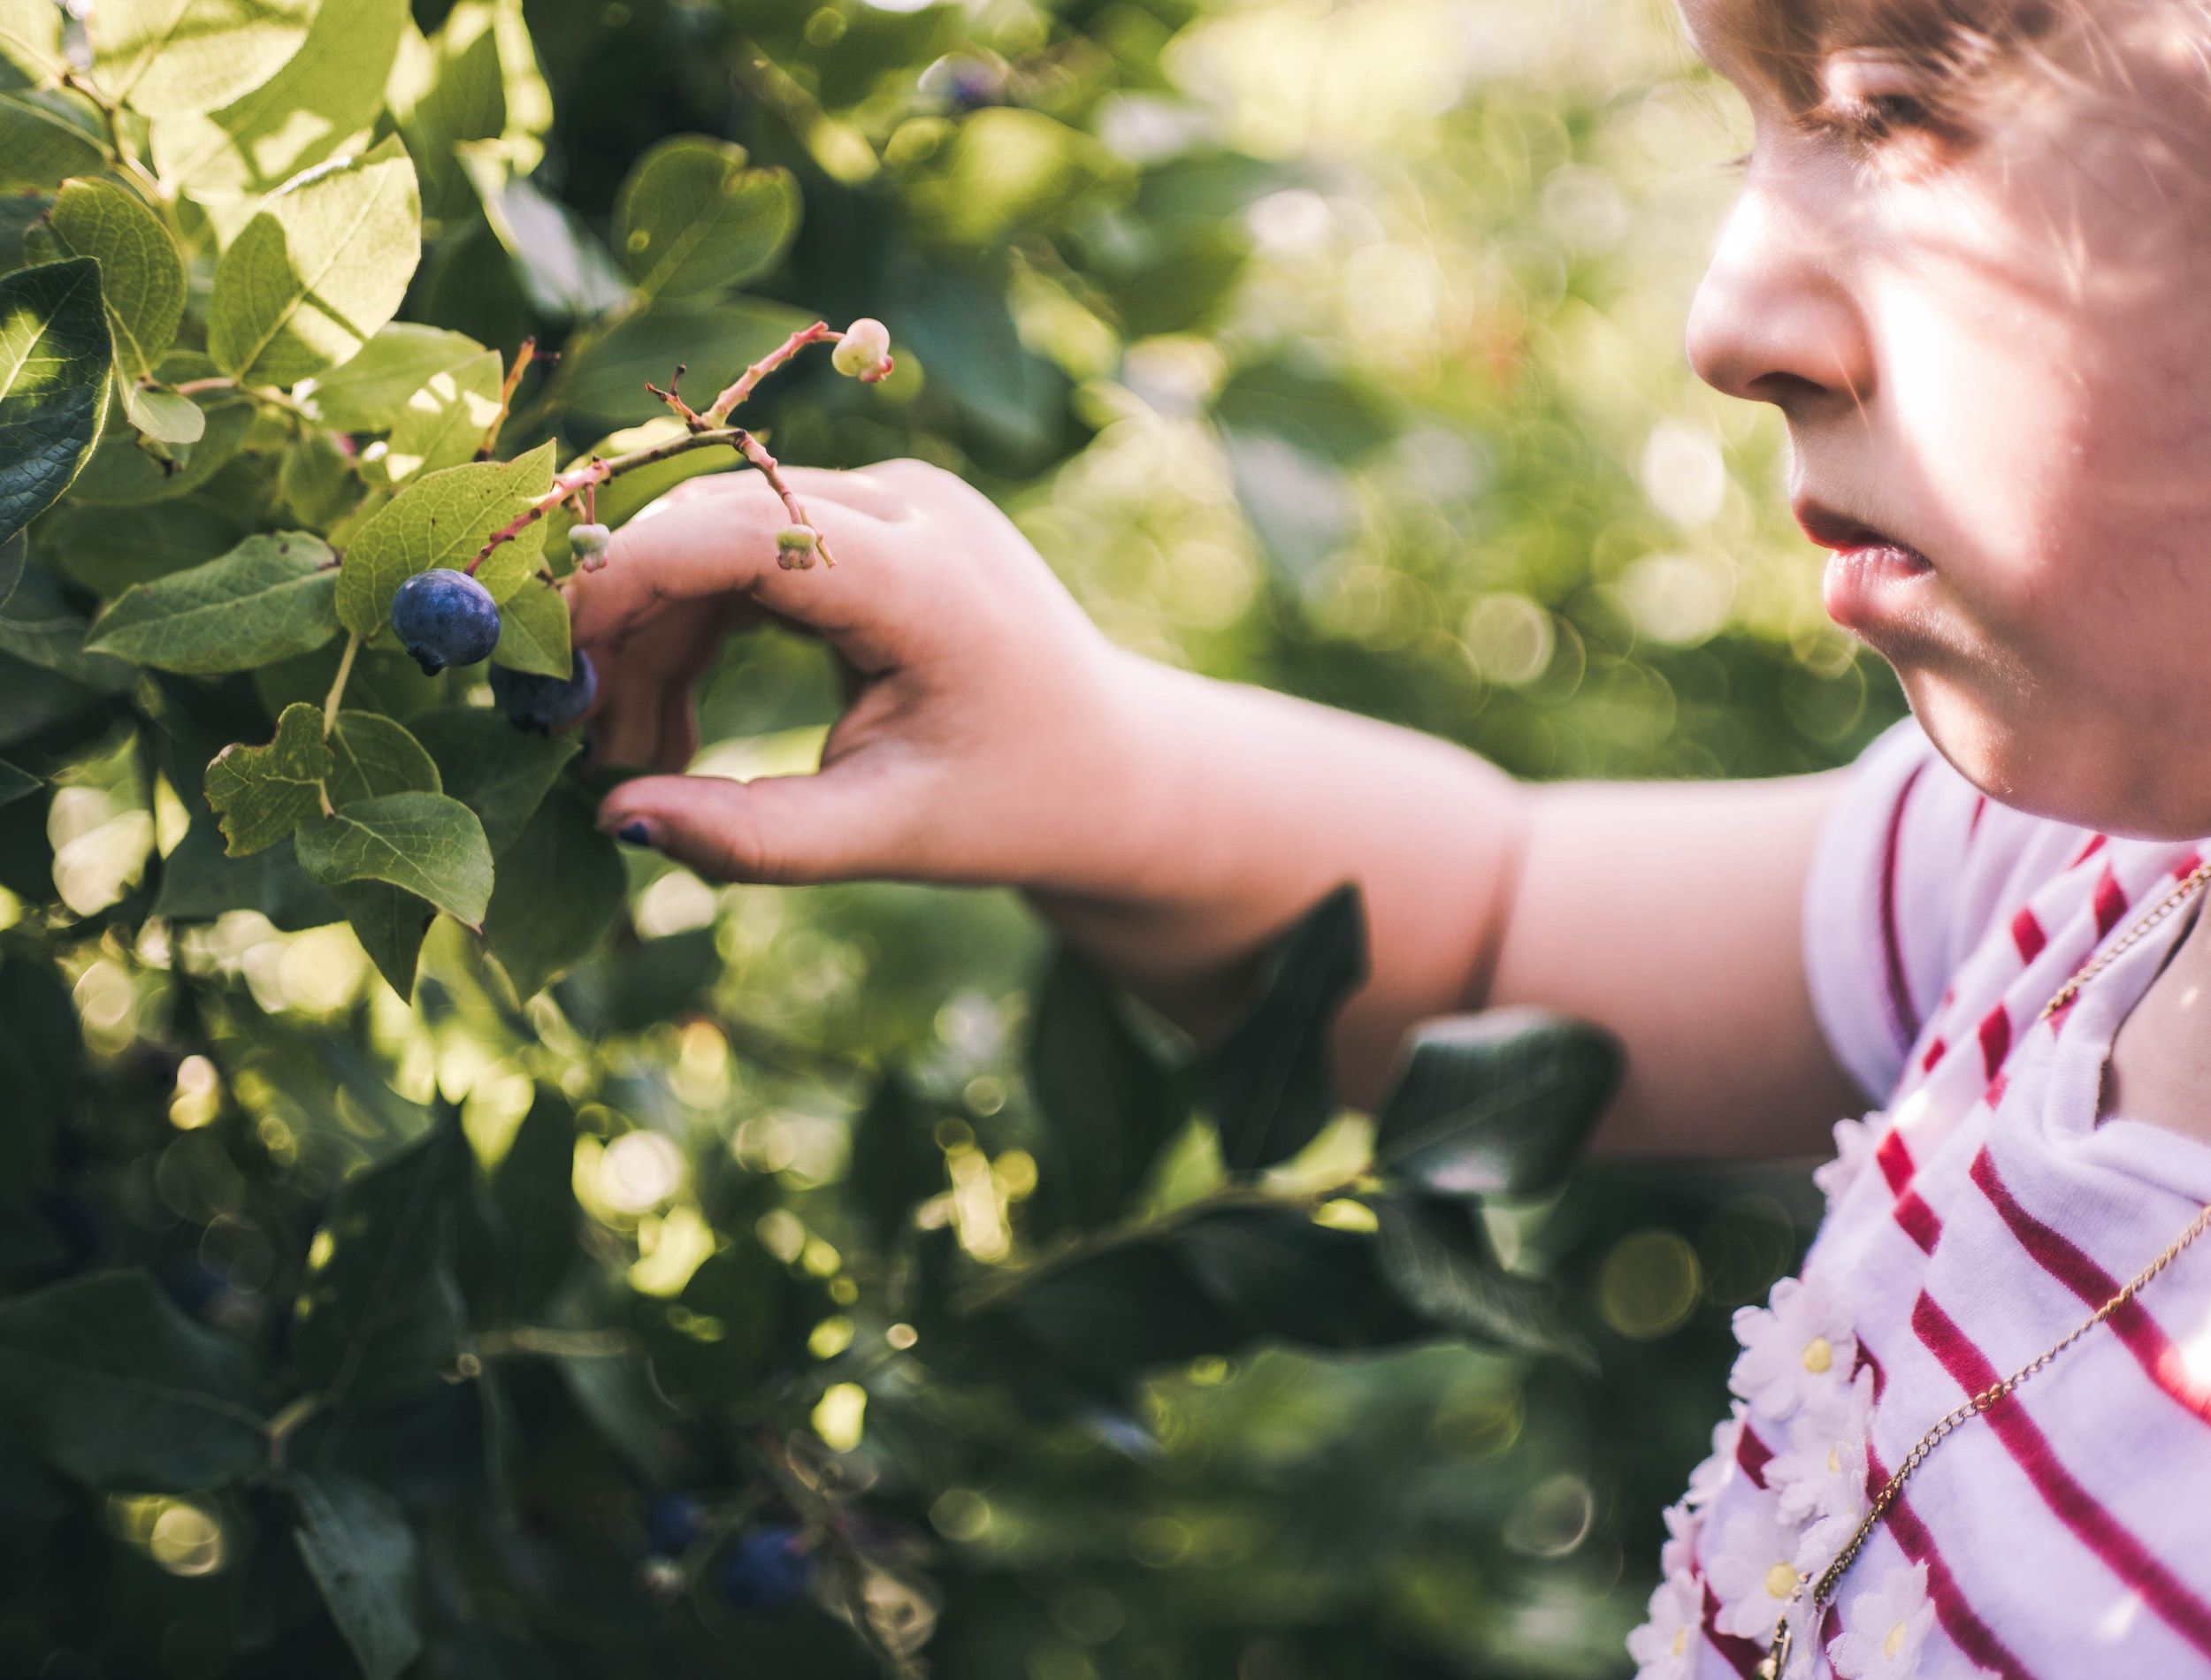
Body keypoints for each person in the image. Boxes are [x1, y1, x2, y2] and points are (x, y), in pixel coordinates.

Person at [567, 1, 2211, 1672]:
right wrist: (1090, 753)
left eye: (1890, 114)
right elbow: (1495, 930)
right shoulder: (2078, 887)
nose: (1724, 320)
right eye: (1750, 130)